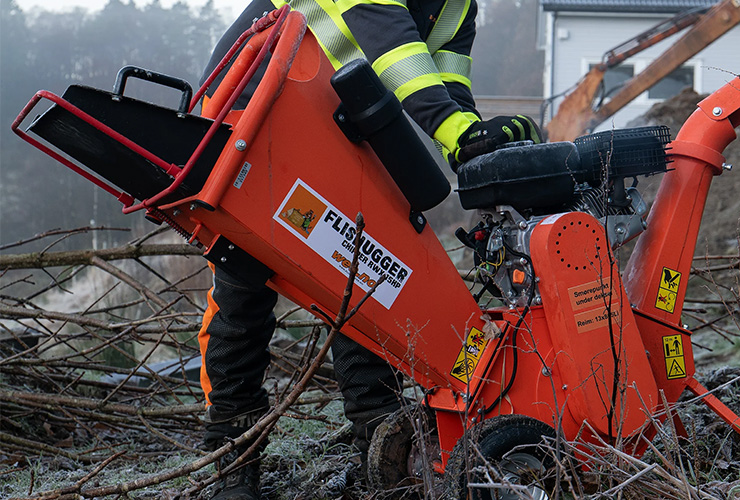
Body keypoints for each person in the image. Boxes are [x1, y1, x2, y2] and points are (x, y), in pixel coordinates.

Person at [197, 1, 542, 499]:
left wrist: (474, 143)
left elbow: (442, 81)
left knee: (366, 275)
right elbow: (389, 44)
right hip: (256, 99)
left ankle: (378, 451)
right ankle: (233, 465)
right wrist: (454, 128)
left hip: (336, 115)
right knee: (243, 285)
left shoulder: (460, 5)